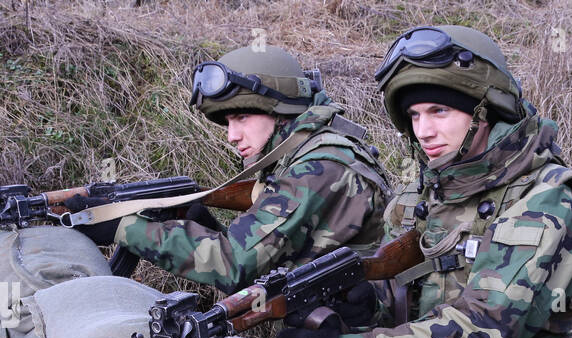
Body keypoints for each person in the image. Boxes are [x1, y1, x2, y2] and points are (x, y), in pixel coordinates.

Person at [274, 25, 572, 338]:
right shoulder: (422, 196)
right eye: (414, 115)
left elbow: (487, 331)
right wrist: (367, 303)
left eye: (439, 111)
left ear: (487, 111)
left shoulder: (545, 201)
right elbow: (406, 293)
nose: (424, 130)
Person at [77, 45, 390, 292]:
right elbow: (272, 256)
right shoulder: (305, 154)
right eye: (228, 122)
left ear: (281, 110)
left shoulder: (320, 166)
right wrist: (203, 224)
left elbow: (235, 263)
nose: (231, 136)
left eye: (242, 118)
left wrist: (123, 227)